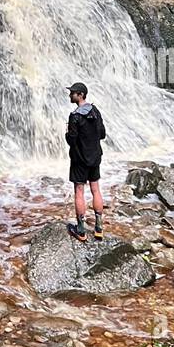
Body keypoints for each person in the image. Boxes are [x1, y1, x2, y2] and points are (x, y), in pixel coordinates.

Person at [65, 82, 106, 242]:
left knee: (79, 192)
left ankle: (81, 230)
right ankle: (99, 228)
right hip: (95, 157)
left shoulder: (75, 116)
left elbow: (72, 140)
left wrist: (67, 133)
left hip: (80, 159)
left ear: (80, 95)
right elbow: (102, 134)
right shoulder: (95, 111)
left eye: (73, 93)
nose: (70, 95)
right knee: (96, 189)